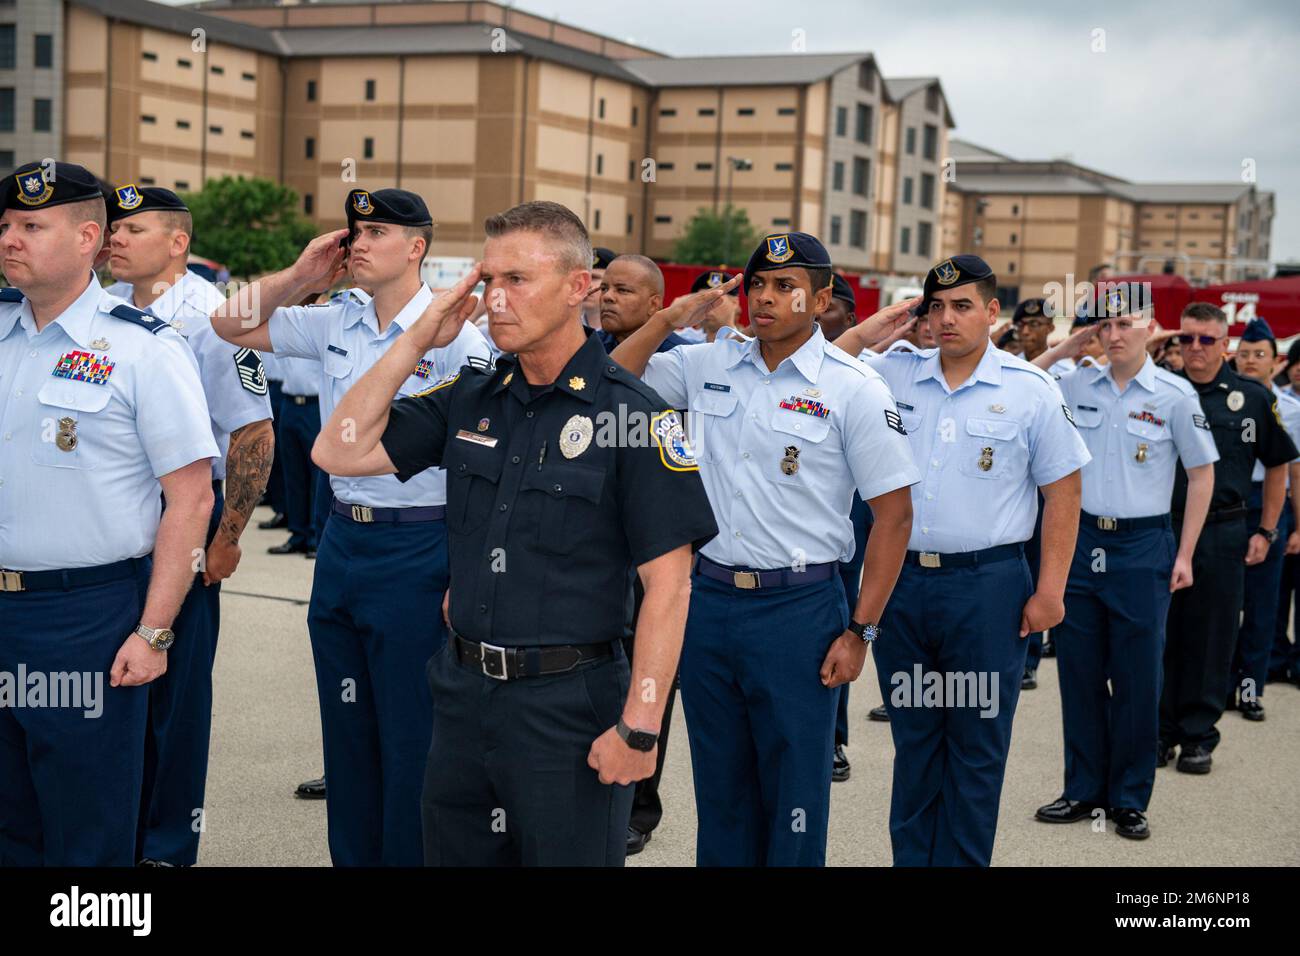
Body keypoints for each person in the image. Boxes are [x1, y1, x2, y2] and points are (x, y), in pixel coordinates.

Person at [311, 199, 718, 866]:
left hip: (570, 707)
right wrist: (415, 339)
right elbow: (339, 450)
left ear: (577, 286)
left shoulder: (635, 415)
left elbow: (669, 585)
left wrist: (640, 727)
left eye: (517, 280)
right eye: (488, 280)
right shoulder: (472, 396)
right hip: (465, 696)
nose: (496, 299)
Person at [613, 232, 918, 867]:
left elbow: (893, 517)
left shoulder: (855, 387)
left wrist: (861, 632)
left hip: (799, 610)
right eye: (757, 285)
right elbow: (614, 376)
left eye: (786, 286)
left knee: (794, 792)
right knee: (720, 786)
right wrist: (671, 317)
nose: (765, 298)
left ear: (822, 298)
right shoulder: (704, 365)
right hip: (711, 603)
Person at [210, 187, 491, 866]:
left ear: (416, 248)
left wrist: (468, 569)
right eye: (352, 232)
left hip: (420, 541)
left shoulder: (459, 335)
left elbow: (484, 466)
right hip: (344, 539)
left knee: (409, 734)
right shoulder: (338, 319)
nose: (356, 243)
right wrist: (302, 275)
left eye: (375, 233)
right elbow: (229, 323)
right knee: (348, 730)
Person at [835, 254, 1091, 867]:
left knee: (975, 745)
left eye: (963, 306)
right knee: (915, 740)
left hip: (988, 587)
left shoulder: (1029, 389)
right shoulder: (891, 376)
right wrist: (870, 328)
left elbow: (1064, 492)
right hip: (904, 588)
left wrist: (1051, 589)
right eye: (936, 307)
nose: (947, 319)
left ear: (992, 312)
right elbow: (818, 370)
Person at [0, 161, 218, 866]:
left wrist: (154, 633)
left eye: (32, 226)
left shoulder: (143, 348)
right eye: (6, 225)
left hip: (86, 616)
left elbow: (191, 497)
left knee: (88, 827)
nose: (10, 239)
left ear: (88, 235)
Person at [103, 184, 274, 867]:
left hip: (184, 537)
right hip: (112, 539)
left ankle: (166, 849)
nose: (115, 236)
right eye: (112, 226)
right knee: (111, 699)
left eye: (134, 228)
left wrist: (227, 539)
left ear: (178, 242)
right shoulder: (103, 309)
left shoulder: (212, 315)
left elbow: (252, 432)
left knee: (173, 705)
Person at [1036, 286, 1217, 841]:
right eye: (1104, 326)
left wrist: (1184, 554)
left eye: (1125, 325)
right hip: (1081, 540)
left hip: (1143, 548)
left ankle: (1130, 797)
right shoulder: (1072, 382)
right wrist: (1065, 349)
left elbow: (1202, 474)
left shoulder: (1175, 395)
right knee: (1080, 672)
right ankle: (1083, 788)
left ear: (1149, 328)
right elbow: (1021, 380)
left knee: (1139, 677)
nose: (1113, 336)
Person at [1161, 303, 1297, 774]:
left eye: (1205, 339)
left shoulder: (1252, 398)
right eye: (1187, 338)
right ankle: (1159, 731)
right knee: (1159, 633)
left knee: (1212, 635)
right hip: (1163, 527)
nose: (1194, 348)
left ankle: (1198, 734)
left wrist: (1267, 530)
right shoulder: (1159, 391)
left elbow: (1278, 464)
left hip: (1224, 530)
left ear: (1225, 345)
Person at [1229, 318, 1300, 720]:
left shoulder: (1289, 409)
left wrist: (1296, 526)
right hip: (1229, 503)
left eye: (1260, 355)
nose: (1251, 361)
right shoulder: (1225, 398)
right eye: (1244, 354)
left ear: (1276, 362)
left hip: (1271, 503)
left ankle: (1251, 688)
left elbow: (1294, 472)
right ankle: (1221, 685)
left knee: (1262, 604)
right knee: (1223, 604)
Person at [594, 254, 690, 357]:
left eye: (622, 290)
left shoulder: (682, 357)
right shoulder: (591, 347)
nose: (607, 296)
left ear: (653, 304)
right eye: (604, 289)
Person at [581, 245, 616, 329]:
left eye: (594, 278)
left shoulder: (624, 330)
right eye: (582, 278)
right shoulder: (566, 327)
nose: (586, 285)